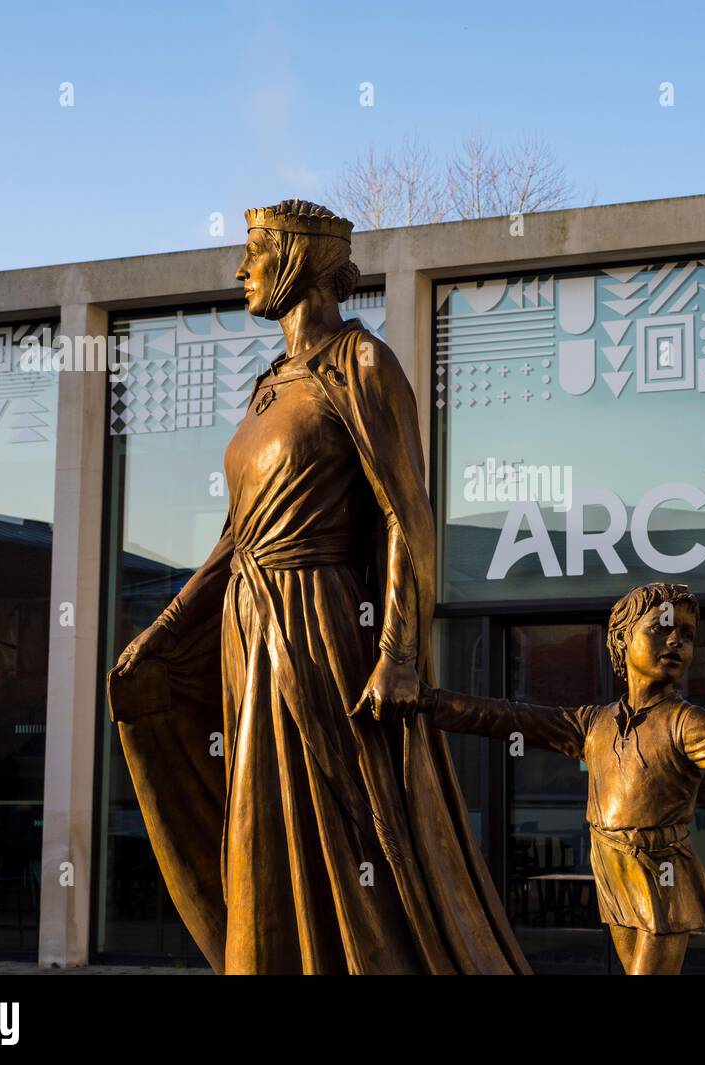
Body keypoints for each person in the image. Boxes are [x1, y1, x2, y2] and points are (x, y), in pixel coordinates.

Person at [109, 199, 527, 975]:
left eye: (253, 253)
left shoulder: (361, 364)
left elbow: (408, 514)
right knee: (255, 822)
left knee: (348, 826)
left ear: (297, 258)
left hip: (322, 624)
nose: (240, 270)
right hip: (249, 629)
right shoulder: (267, 386)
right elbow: (234, 541)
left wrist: (399, 650)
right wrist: (161, 632)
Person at [411, 581, 705, 975]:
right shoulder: (593, 723)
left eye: (688, 635)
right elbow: (506, 717)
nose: (677, 640)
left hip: (662, 873)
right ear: (621, 639)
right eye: (663, 628)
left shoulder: (685, 722)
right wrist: (427, 701)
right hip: (613, 868)